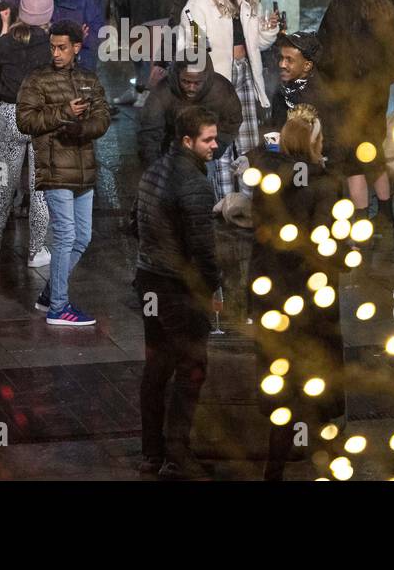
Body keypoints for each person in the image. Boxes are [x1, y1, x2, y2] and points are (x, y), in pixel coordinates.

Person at [246, 103, 345, 480]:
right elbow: (321, 242)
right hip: (310, 303)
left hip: (273, 299)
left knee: (282, 394)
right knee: (318, 392)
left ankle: (275, 471)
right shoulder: (321, 183)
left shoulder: (266, 181)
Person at [134, 105, 222, 479]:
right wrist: (212, 289)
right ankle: (176, 455)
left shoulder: (155, 169)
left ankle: (152, 453)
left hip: (149, 282)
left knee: (157, 367)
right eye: (208, 139)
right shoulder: (194, 184)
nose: (215, 146)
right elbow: (202, 248)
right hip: (178, 289)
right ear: (187, 140)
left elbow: (136, 223)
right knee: (190, 370)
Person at [16, 20, 111, 326]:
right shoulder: (37, 80)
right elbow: (25, 121)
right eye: (53, 47)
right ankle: (58, 306)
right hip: (55, 169)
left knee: (82, 237)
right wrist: (65, 114)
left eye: (62, 47)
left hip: (84, 170)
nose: (56, 53)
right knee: (65, 236)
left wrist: (81, 127)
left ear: (76, 48)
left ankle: (49, 294)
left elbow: (103, 118)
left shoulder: (88, 79)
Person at [315, 0, 394, 242]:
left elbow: (323, 50)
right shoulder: (390, 10)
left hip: (346, 96)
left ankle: (361, 220)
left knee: (353, 160)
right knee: (374, 152)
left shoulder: (340, 4)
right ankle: (387, 216)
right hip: (376, 95)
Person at [180, 0, 279, 196]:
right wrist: (199, 73)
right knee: (220, 140)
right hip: (216, 79)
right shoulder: (198, 3)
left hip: (244, 72)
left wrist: (269, 30)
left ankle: (246, 201)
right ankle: (223, 201)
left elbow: (258, 43)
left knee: (248, 142)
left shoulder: (248, 0)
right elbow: (189, 45)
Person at [0, 0, 55, 267]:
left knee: (3, 183)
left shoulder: (6, 42)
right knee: (40, 188)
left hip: (10, 114)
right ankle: (36, 251)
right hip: (40, 116)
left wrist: (4, 23)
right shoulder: (51, 45)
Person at [138, 44, 242, 200]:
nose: (191, 88)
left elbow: (232, 121)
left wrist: (214, 148)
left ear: (206, 78)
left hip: (204, 150)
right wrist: (154, 169)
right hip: (170, 149)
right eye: (186, 82)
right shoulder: (163, 91)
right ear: (177, 75)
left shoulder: (221, 89)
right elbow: (149, 133)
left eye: (197, 83)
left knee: (197, 195)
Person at [267, 31, 332, 132]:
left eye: (289, 60)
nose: (282, 64)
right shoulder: (281, 91)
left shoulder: (321, 98)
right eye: (281, 58)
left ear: (307, 66)